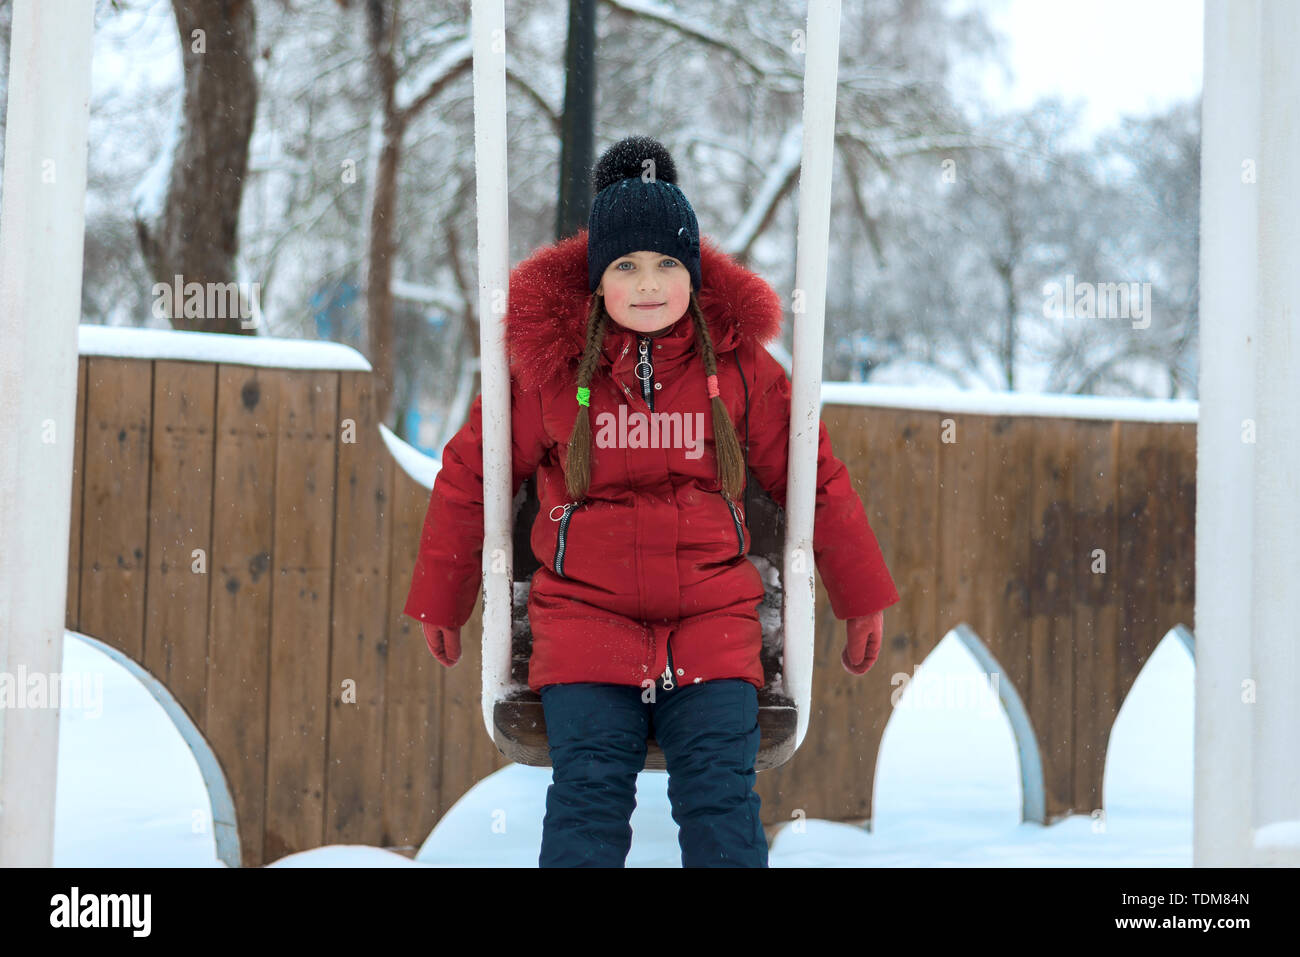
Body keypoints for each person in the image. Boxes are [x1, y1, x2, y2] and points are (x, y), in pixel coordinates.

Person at [404, 134, 900, 867]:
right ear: (598, 279)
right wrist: (442, 596)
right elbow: (473, 474)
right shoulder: (548, 370)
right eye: (626, 265)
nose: (647, 283)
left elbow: (812, 474)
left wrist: (859, 593)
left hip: (711, 628)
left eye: (668, 263)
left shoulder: (737, 367)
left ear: (694, 274)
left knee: (720, 799)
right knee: (588, 798)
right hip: (585, 630)